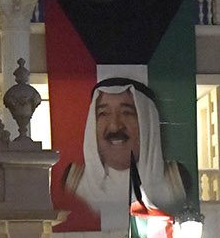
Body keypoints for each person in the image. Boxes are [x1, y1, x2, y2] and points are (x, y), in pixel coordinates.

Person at [61, 76, 187, 229]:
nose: (115, 126)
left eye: (127, 113)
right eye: (103, 114)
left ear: (147, 123)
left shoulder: (175, 183)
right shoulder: (75, 183)